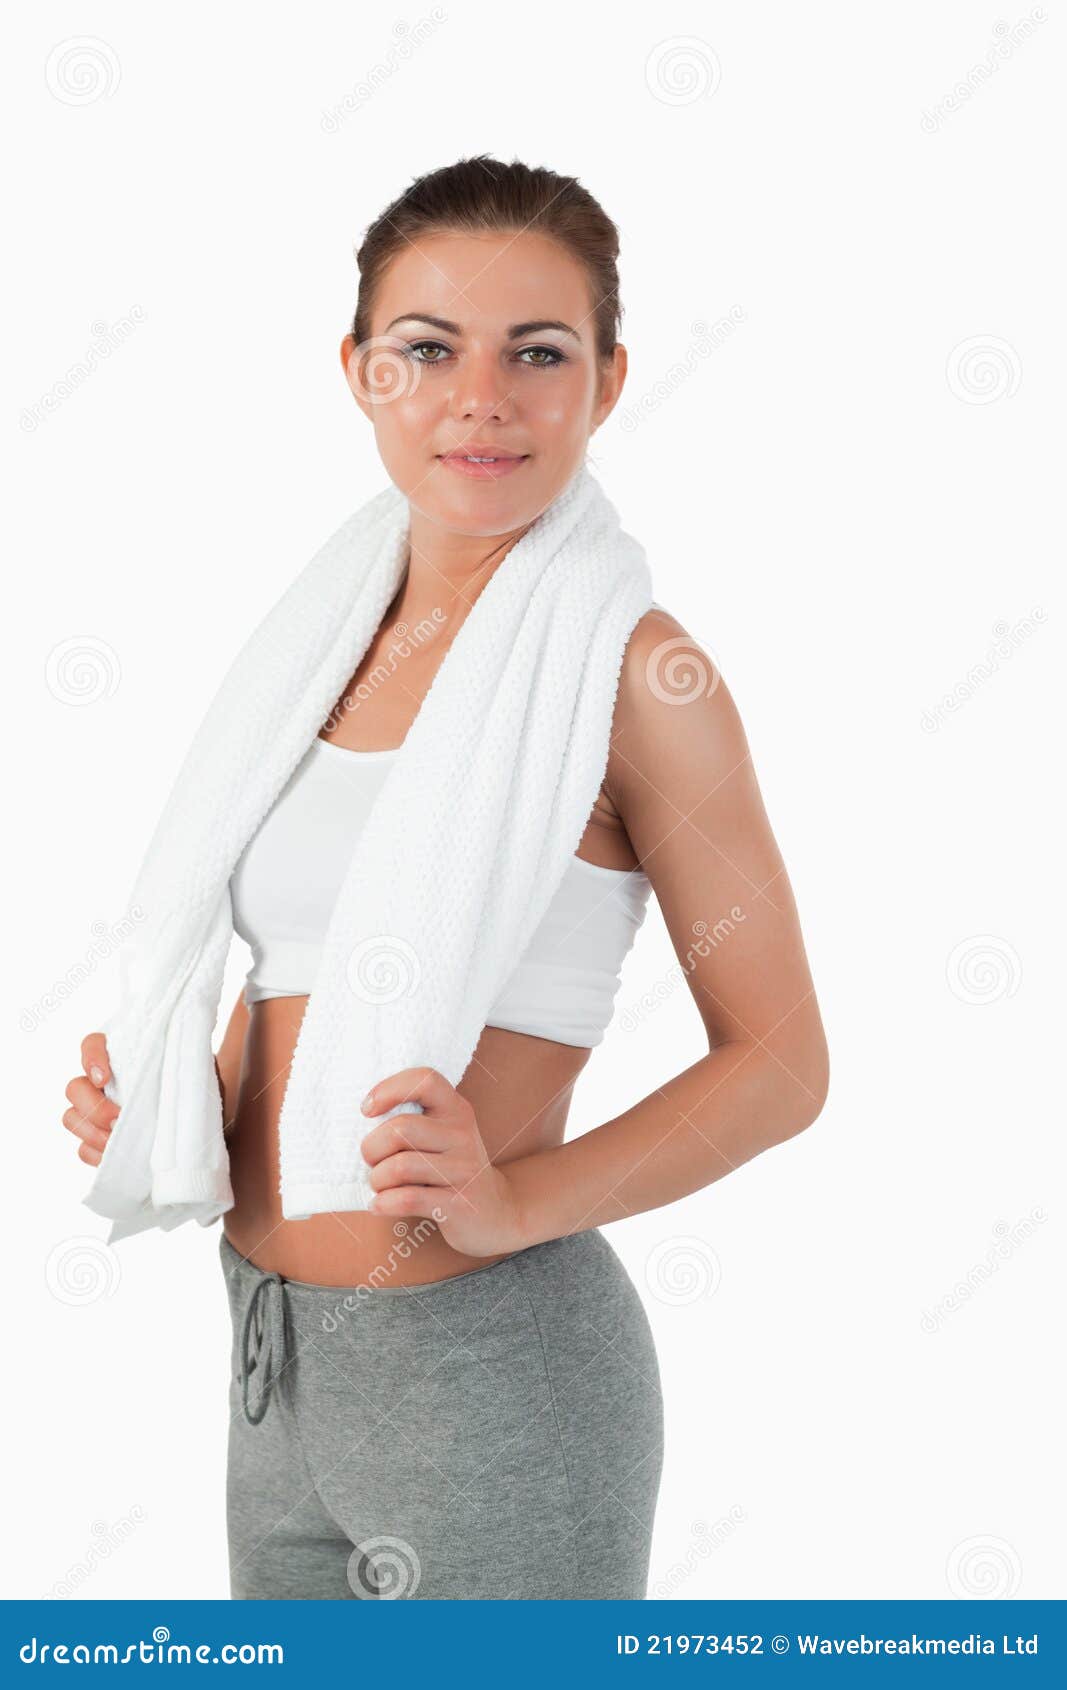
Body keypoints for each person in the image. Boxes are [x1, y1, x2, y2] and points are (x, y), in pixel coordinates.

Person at [61, 154, 829, 1601]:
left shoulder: (637, 677)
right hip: (269, 1361)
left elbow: (784, 1062)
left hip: (497, 1373)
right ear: (359, 373)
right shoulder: (312, 655)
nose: (480, 395)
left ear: (608, 380)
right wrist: (176, 1101)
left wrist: (515, 1204)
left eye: (537, 353)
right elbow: (311, 978)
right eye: (427, 349)